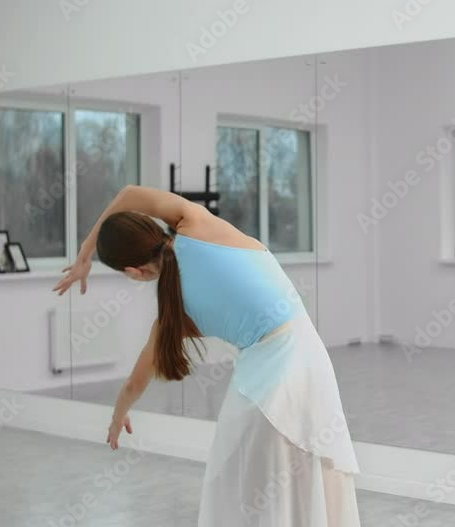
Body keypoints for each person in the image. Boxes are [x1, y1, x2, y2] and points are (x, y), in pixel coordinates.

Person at [53, 185, 362, 526]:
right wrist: (86, 250)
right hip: (310, 360)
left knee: (244, 493)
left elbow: (133, 385)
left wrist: (117, 418)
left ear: (133, 272)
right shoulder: (195, 222)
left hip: (265, 387)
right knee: (305, 484)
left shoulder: (172, 316)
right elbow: (128, 194)